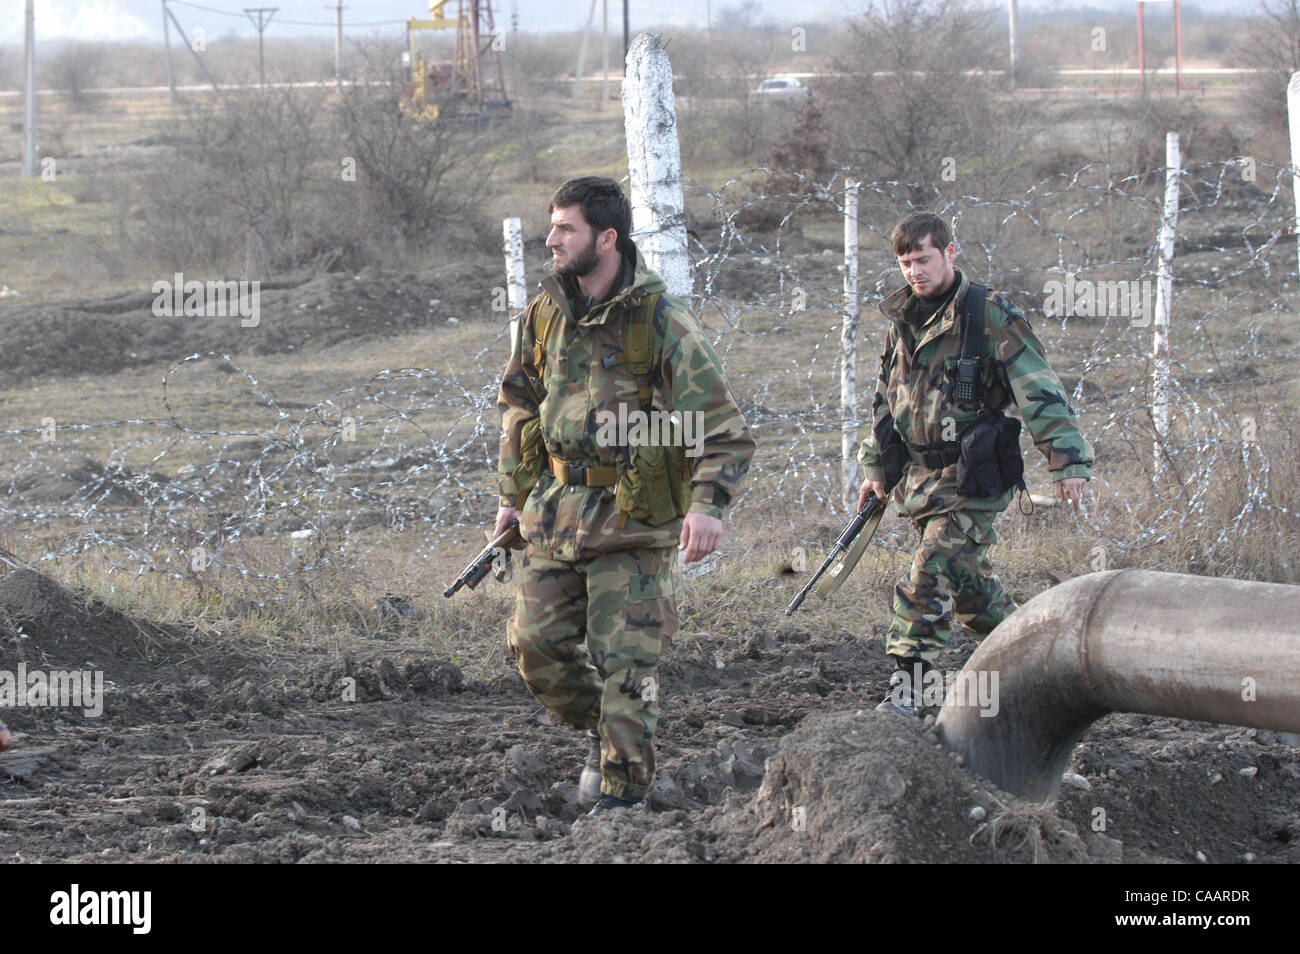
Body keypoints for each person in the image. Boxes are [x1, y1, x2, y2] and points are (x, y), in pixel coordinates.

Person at [493, 177, 755, 814]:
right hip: (554, 515)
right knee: (537, 649)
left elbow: (722, 428)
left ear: (606, 238)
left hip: (633, 519)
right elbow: (520, 406)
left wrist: (708, 506)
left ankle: (622, 805)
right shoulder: (546, 311)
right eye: (551, 226)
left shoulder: (661, 320)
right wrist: (510, 496)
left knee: (627, 665)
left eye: (566, 229)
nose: (550, 240)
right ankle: (607, 736)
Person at [857, 211, 1093, 715]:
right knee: (970, 588)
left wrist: (1067, 461)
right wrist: (876, 466)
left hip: (973, 475)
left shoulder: (988, 313)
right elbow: (885, 398)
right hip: (920, 478)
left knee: (931, 569)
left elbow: (1039, 389)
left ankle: (910, 689)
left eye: (923, 259)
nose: (914, 271)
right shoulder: (902, 318)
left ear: (949, 252)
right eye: (905, 262)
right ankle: (1038, 666)